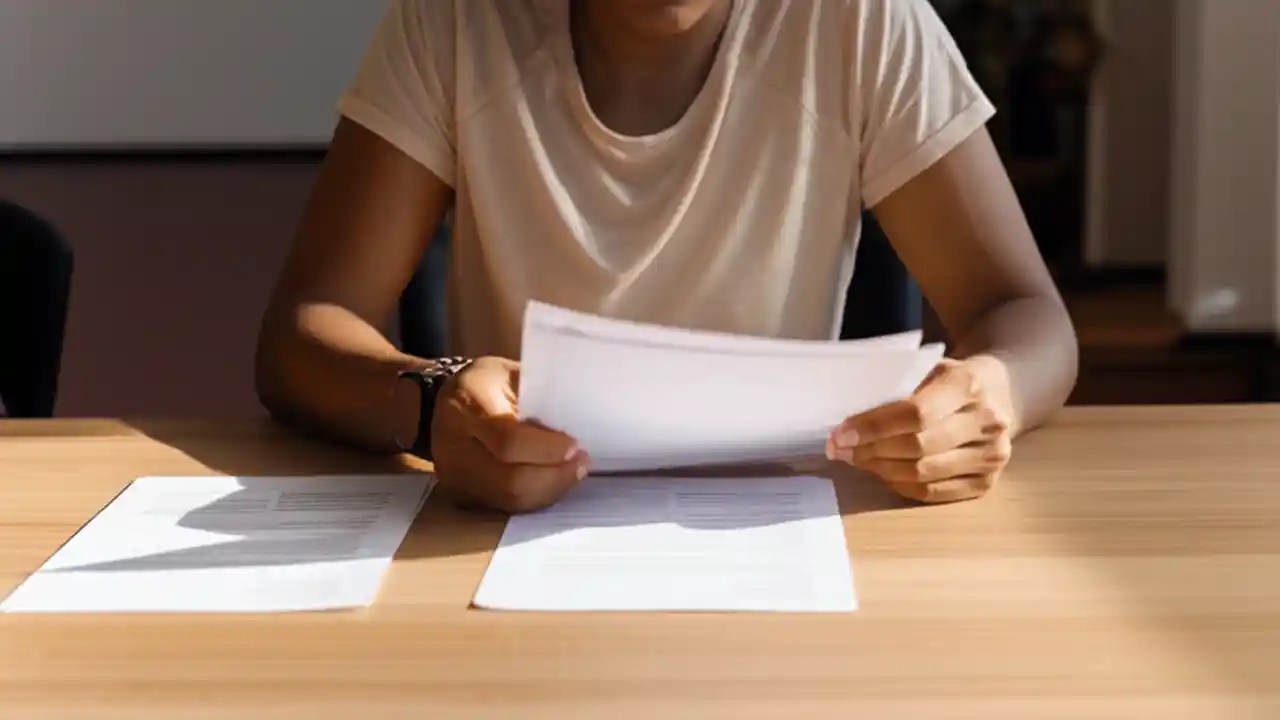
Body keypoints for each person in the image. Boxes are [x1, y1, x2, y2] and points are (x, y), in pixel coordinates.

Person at [256, 0, 1078, 512]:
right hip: (515, 530)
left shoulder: (861, 19)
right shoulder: (455, 21)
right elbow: (302, 336)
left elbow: (1024, 314)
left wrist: (988, 393)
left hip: (790, 531)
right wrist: (435, 410)